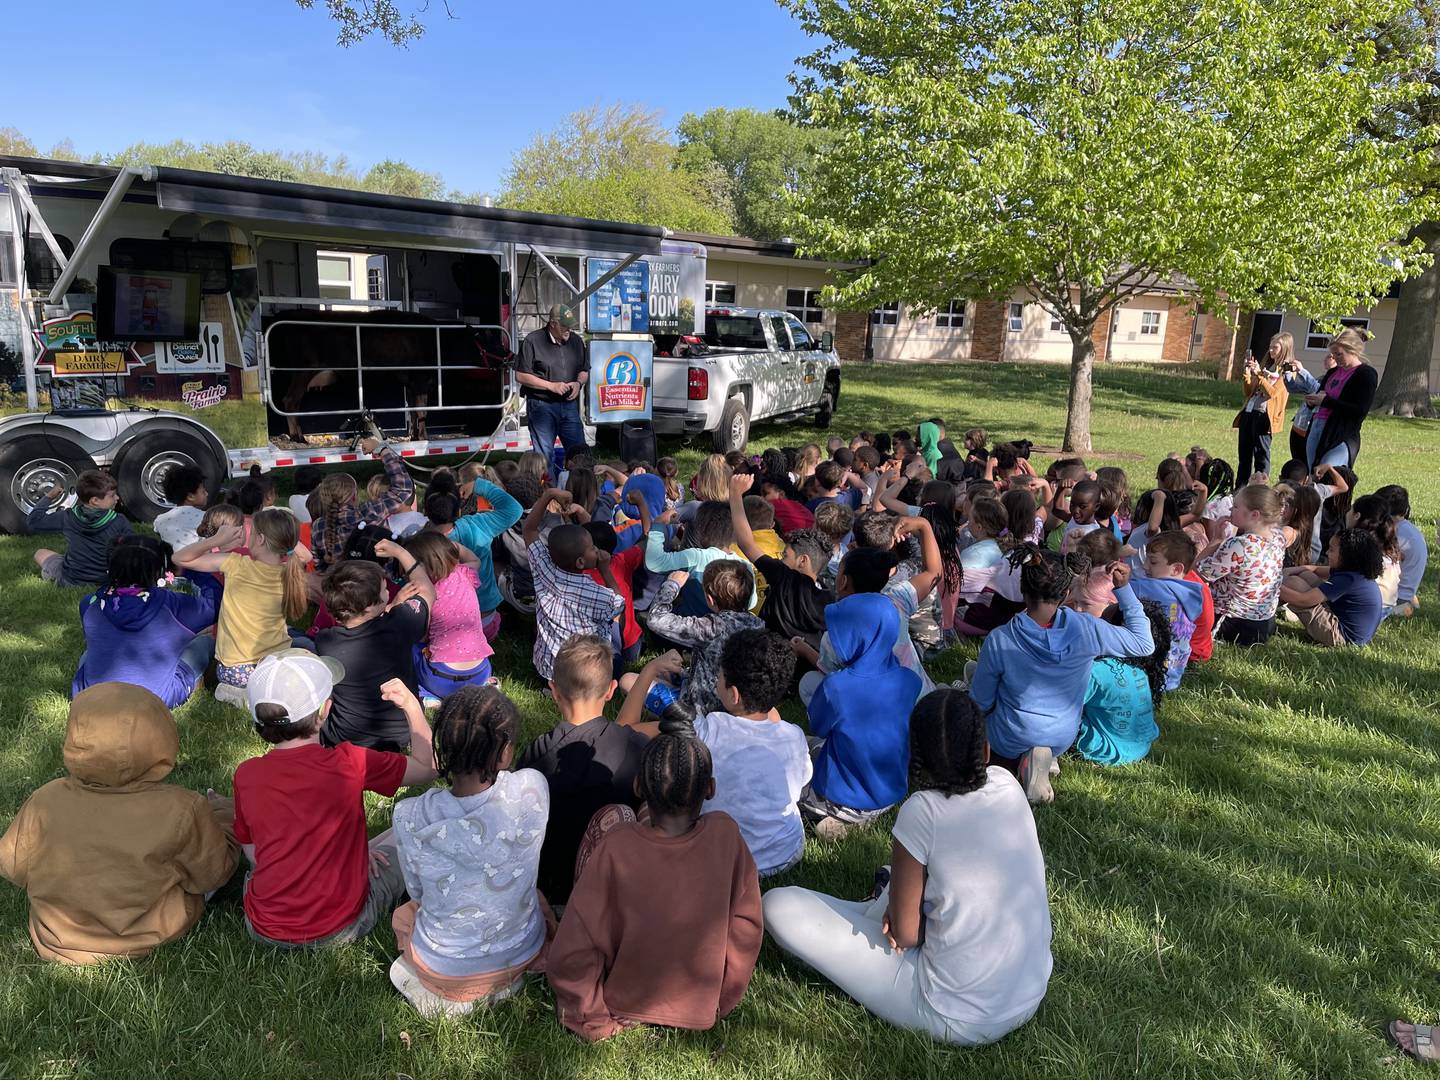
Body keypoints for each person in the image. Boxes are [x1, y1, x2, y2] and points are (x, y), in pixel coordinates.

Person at [764, 689, 1051, 1046]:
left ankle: (884, 899)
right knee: (896, 890)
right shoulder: (1008, 785)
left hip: (955, 1015)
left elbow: (907, 937)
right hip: (1029, 989)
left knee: (777, 905)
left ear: (915, 756)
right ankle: (884, 898)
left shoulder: (922, 811)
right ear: (986, 752)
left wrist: (899, 916)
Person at [0, 683, 239, 964]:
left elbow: (13, 866)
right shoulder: (184, 807)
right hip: (149, 933)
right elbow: (212, 874)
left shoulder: (44, 799)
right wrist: (225, 818)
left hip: (56, 935)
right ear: (160, 736)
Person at [546, 734, 763, 1041]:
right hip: (700, 1001)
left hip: (623, 1000)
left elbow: (577, 942)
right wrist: (721, 1000)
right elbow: (746, 928)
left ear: (638, 787)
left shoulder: (617, 845)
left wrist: (588, 1016)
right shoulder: (726, 837)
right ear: (711, 789)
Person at [233, 653, 436, 948]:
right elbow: (427, 766)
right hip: (339, 926)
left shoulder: (246, 774)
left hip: (264, 927)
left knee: (384, 836)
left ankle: (355, 856)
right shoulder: (349, 762)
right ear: (324, 710)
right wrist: (411, 707)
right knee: (420, 822)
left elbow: (254, 854)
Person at [389, 685, 550, 1018]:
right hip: (521, 950)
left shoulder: (409, 815)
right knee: (539, 900)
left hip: (443, 968)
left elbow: (416, 891)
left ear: (442, 748)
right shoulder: (532, 787)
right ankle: (502, 982)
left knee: (405, 914)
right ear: (505, 753)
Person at [969, 545, 1153, 803]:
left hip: (1009, 737)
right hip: (1061, 736)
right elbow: (1144, 644)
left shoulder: (1001, 639)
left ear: (1023, 588)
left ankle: (1019, 759)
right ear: (1066, 593)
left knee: (978, 703)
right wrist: (1123, 589)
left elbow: (981, 703)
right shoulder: (1089, 629)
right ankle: (1041, 758)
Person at [650, 629, 809, 877]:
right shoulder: (794, 736)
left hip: (720, 858)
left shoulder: (709, 728)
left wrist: (649, 671)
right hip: (785, 852)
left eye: (720, 676)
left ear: (733, 694)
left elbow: (629, 728)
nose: (716, 680)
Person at [518, 635, 648, 905]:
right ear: (611, 690)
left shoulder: (535, 755)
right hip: (614, 887)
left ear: (554, 691)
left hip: (548, 889)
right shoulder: (636, 747)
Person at [800, 592, 923, 838]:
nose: (834, 640)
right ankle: (855, 819)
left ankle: (839, 820)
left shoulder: (836, 687)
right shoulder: (909, 680)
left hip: (843, 797)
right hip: (892, 791)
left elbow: (819, 726)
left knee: (795, 763)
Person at [172, 508, 311, 704]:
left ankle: (241, 694)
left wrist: (216, 541)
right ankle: (265, 691)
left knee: (201, 645)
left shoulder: (236, 564)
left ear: (261, 539)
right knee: (303, 644)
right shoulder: (288, 570)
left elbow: (179, 558)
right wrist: (285, 534)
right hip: (275, 665)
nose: (248, 537)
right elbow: (307, 557)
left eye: (252, 533)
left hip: (235, 671)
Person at [73, 536, 218, 709]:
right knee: (205, 642)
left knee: (88, 653)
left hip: (92, 696)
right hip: (157, 701)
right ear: (159, 569)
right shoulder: (175, 605)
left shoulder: (90, 602)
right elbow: (217, 603)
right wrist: (190, 571)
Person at [316, 550, 435, 752]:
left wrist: (390, 607)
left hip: (345, 739)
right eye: (384, 590)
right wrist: (402, 552)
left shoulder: (325, 642)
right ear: (370, 607)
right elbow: (428, 591)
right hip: (402, 733)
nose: (388, 592)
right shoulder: (400, 623)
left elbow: (365, 626)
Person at [637, 561, 763, 722]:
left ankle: (662, 720)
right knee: (667, 672)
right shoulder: (758, 625)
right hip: (739, 707)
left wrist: (672, 585)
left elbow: (655, 619)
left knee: (629, 680)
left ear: (710, 599)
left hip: (699, 712)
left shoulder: (711, 628)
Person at [523, 489, 624, 681]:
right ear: (580, 562)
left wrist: (547, 495)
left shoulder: (543, 567)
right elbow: (619, 604)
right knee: (616, 659)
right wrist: (605, 570)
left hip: (548, 669)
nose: (597, 551)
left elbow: (529, 529)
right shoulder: (597, 593)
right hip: (584, 674)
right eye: (593, 548)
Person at [729, 475, 835, 647]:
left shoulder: (785, 577)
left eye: (785, 555)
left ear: (803, 561)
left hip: (769, 653)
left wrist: (734, 493)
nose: (781, 559)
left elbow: (746, 542)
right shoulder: (828, 597)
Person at [1075, 600, 1172, 765]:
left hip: (1106, 749)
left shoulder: (1097, 671)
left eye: (1104, 623)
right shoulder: (1141, 670)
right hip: (1140, 748)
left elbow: (1065, 705)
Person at [403, 530, 493, 704]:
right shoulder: (464, 573)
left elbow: (421, 635)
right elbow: (476, 559)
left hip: (440, 679)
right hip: (480, 673)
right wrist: (455, 546)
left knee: (411, 646)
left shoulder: (423, 594)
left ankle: (428, 695)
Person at [1195, 485, 1287, 646]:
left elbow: (1196, 573)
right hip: (1265, 623)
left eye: (1236, 506)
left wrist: (1216, 541)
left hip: (1235, 624)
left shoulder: (1240, 545)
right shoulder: (1278, 536)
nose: (1231, 508)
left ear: (1254, 514)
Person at [309, 437, 414, 571]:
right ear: (354, 496)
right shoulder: (370, 513)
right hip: (374, 582)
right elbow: (403, 488)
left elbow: (319, 565)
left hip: (338, 586)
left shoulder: (318, 526)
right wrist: (382, 450)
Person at [440, 473, 523, 642]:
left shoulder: (422, 539)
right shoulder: (477, 525)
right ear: (458, 509)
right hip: (486, 620)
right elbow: (514, 509)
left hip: (445, 626)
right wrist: (479, 485)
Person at [1279, 529, 1385, 646]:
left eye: (1332, 549)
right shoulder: (1355, 571)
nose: (1327, 552)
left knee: (1293, 583)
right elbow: (1315, 569)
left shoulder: (1348, 580)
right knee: (1303, 575)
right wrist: (1289, 570)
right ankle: (1263, 610)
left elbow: (1303, 600)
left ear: (1347, 555)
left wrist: (1273, 584)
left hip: (1343, 637)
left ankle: (1262, 612)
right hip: (1346, 629)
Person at [1129, 530, 1206, 691]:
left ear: (1176, 569)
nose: (1145, 566)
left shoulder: (1151, 587)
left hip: (1145, 677)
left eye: (1153, 562)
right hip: (1172, 676)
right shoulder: (1191, 593)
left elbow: (1117, 586)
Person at [29, 469, 133, 587]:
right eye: (112, 495)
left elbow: (34, 521)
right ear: (95, 500)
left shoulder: (67, 517)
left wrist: (49, 496)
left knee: (40, 553)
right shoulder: (119, 520)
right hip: (107, 579)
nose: (117, 498)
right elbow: (132, 552)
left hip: (72, 581)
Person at [516, 304, 589, 471]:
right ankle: (548, 494)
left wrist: (578, 383)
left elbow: (584, 370)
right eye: (564, 325)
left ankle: (582, 494)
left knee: (580, 455)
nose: (568, 329)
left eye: (570, 325)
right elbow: (520, 375)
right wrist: (551, 386)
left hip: (569, 406)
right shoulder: (533, 340)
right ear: (552, 323)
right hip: (542, 406)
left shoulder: (576, 341)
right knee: (544, 458)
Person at [1306, 327, 1378, 469]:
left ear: (1353, 351)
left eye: (1339, 354)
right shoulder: (1332, 372)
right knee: (1313, 473)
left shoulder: (1366, 374)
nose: (1335, 359)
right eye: (1332, 354)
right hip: (1318, 427)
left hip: (1341, 434)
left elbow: (1359, 411)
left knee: (1327, 475)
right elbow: (1322, 395)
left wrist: (1326, 401)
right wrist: (1312, 401)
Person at [1234, 335, 1292, 485]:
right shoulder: (1267, 364)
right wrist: (1247, 373)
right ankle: (1240, 488)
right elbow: (1249, 392)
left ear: (1285, 348)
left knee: (1261, 456)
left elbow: (1272, 393)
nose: (1271, 350)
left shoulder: (1288, 368)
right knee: (1244, 456)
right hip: (1249, 412)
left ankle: (1259, 491)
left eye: (1275, 347)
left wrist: (1260, 374)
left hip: (1264, 416)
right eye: (1270, 346)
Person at [1375, 484, 1427, 617]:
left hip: (1396, 597)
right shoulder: (1411, 530)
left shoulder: (1394, 534)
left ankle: (1402, 609)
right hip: (1407, 592)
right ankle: (1408, 604)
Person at [153, 465, 209, 551]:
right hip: (198, 560)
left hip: (172, 561)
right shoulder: (205, 517)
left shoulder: (160, 519)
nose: (207, 494)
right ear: (190, 496)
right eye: (203, 491)